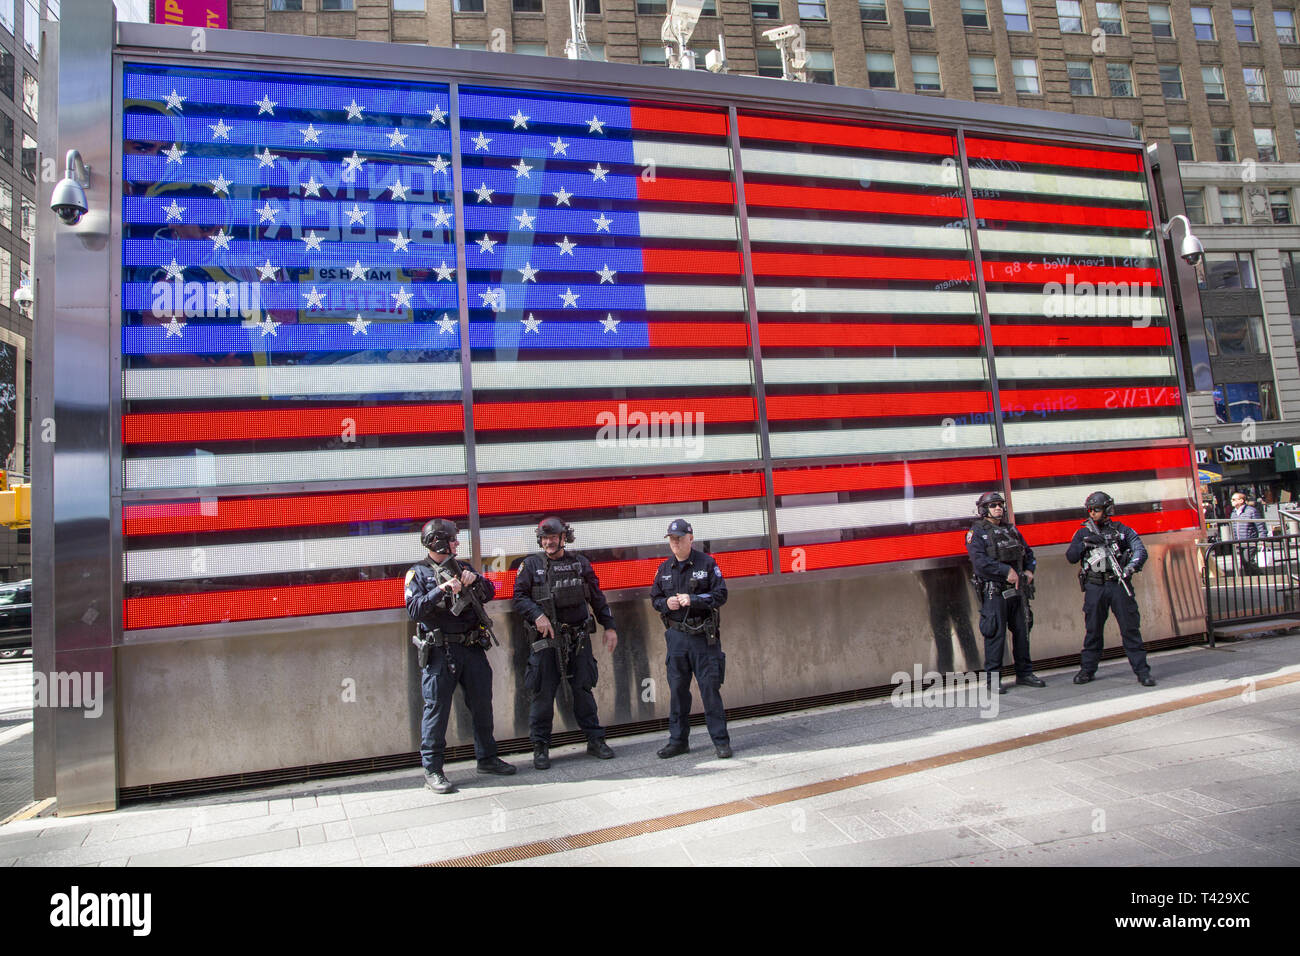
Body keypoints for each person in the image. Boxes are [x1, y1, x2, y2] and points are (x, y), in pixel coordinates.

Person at [405, 518, 516, 794]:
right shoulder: (417, 573)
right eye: (452, 539)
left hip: (471, 648)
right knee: (436, 710)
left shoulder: (463, 567)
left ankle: (487, 758)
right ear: (437, 541)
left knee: (482, 705)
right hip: (440, 652)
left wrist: (475, 579)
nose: (456, 543)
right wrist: (441, 590)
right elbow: (415, 609)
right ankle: (433, 769)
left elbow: (490, 592)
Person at [512, 516, 618, 770]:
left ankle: (595, 740)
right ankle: (540, 747)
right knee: (543, 693)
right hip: (546, 642)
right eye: (545, 538)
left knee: (583, 689)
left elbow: (596, 596)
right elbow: (519, 597)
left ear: (563, 538)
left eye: (553, 537)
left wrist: (609, 626)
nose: (548, 542)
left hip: (578, 638)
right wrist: (537, 615)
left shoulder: (580, 564)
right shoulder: (530, 565)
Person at [650, 519, 731, 759]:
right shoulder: (664, 569)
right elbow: (654, 598)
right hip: (676, 638)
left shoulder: (707, 563)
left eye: (679, 538)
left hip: (702, 638)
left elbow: (721, 594)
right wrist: (665, 603)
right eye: (672, 539)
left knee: (709, 690)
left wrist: (693, 600)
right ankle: (678, 741)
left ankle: (721, 741)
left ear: (691, 538)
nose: (675, 543)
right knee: (677, 691)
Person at [1065, 492, 1156, 687]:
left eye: (1096, 509)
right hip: (1095, 585)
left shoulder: (1121, 530)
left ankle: (1142, 672)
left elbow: (1140, 550)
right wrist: (1085, 543)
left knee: (1130, 629)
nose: (1092, 513)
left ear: (1107, 510)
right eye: (1089, 510)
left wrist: (1130, 568)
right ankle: (1087, 670)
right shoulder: (1082, 532)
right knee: (1093, 630)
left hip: (1118, 584)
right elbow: (1071, 557)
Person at [965, 491, 1045, 694]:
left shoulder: (1012, 530)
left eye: (1000, 504)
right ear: (984, 509)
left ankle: (1025, 673)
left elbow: (1028, 553)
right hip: (995, 591)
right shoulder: (977, 533)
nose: (998, 508)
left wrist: (1029, 570)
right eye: (993, 505)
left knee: (1022, 632)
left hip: (1018, 591)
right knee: (995, 634)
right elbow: (980, 563)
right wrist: (1005, 571)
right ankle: (993, 680)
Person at [1228, 491, 1266, 574]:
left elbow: (1260, 525)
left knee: (1248, 561)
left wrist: (1262, 540)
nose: (1232, 501)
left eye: (1234, 499)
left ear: (1241, 501)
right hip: (1239, 542)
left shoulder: (1251, 511)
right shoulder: (1234, 513)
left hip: (1250, 541)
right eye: (1231, 499)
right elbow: (1233, 528)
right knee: (1245, 563)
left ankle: (1260, 576)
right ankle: (1252, 578)